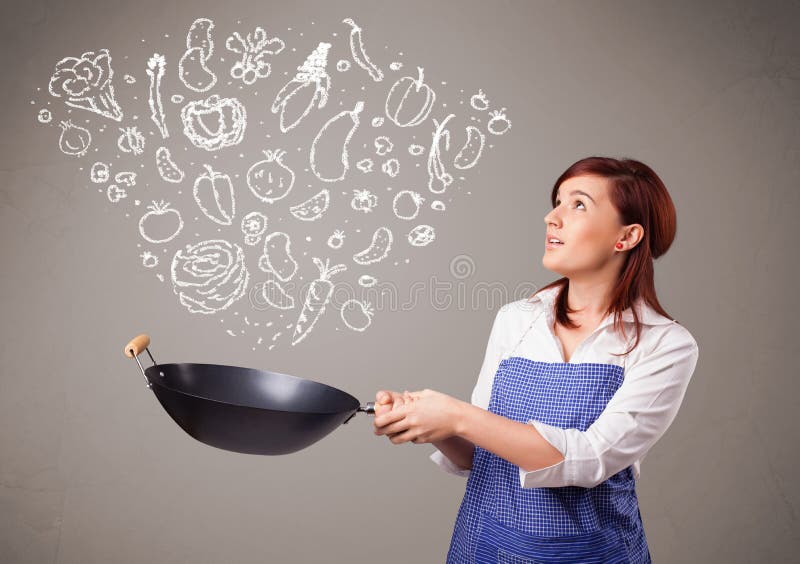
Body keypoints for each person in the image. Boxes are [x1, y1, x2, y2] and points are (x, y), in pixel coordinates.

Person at [373, 156, 700, 563]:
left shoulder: (665, 345)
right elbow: (483, 453)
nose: (551, 217)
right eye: (557, 202)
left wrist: (456, 416)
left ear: (627, 236)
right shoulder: (516, 320)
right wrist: (429, 422)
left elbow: (591, 458)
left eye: (578, 205)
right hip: (485, 545)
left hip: (590, 553)